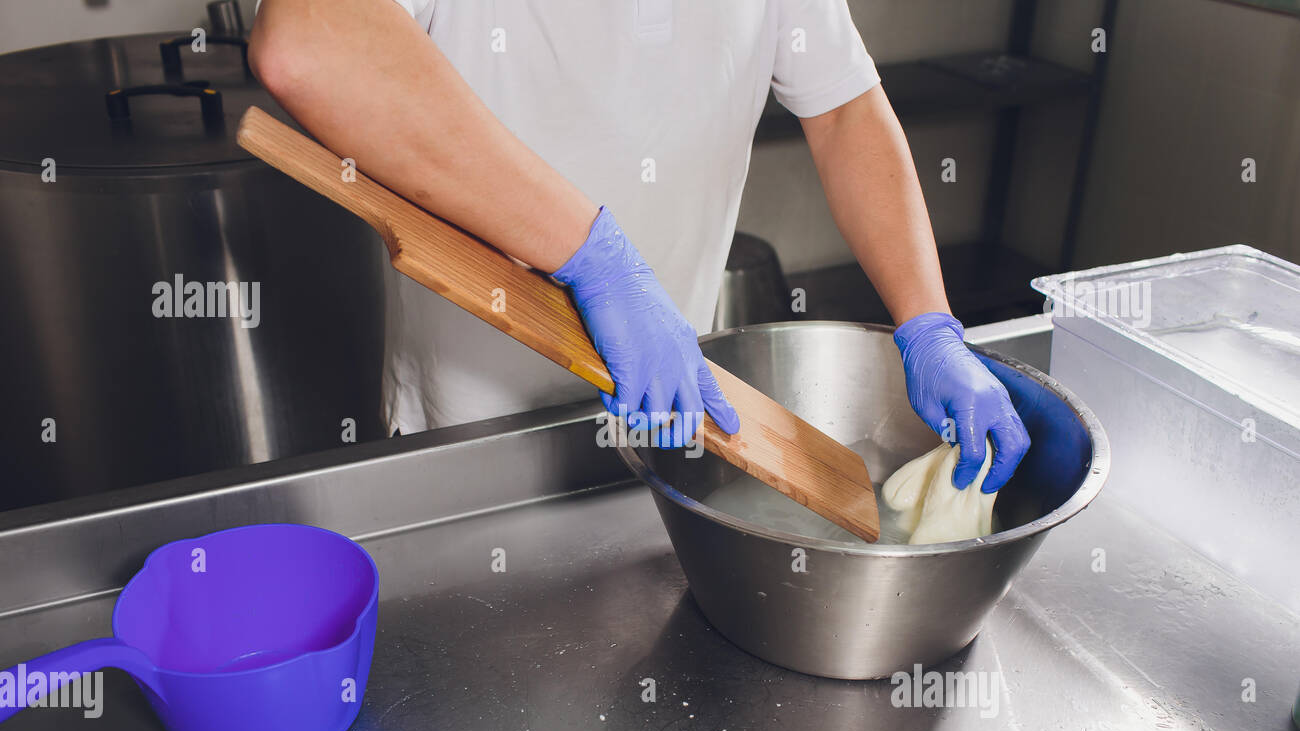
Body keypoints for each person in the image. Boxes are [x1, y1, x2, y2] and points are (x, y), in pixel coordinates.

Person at [249, 0, 1029, 492]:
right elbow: (311, 40)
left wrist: (928, 321)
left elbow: (844, 110)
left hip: (669, 416)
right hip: (470, 444)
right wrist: (592, 255)